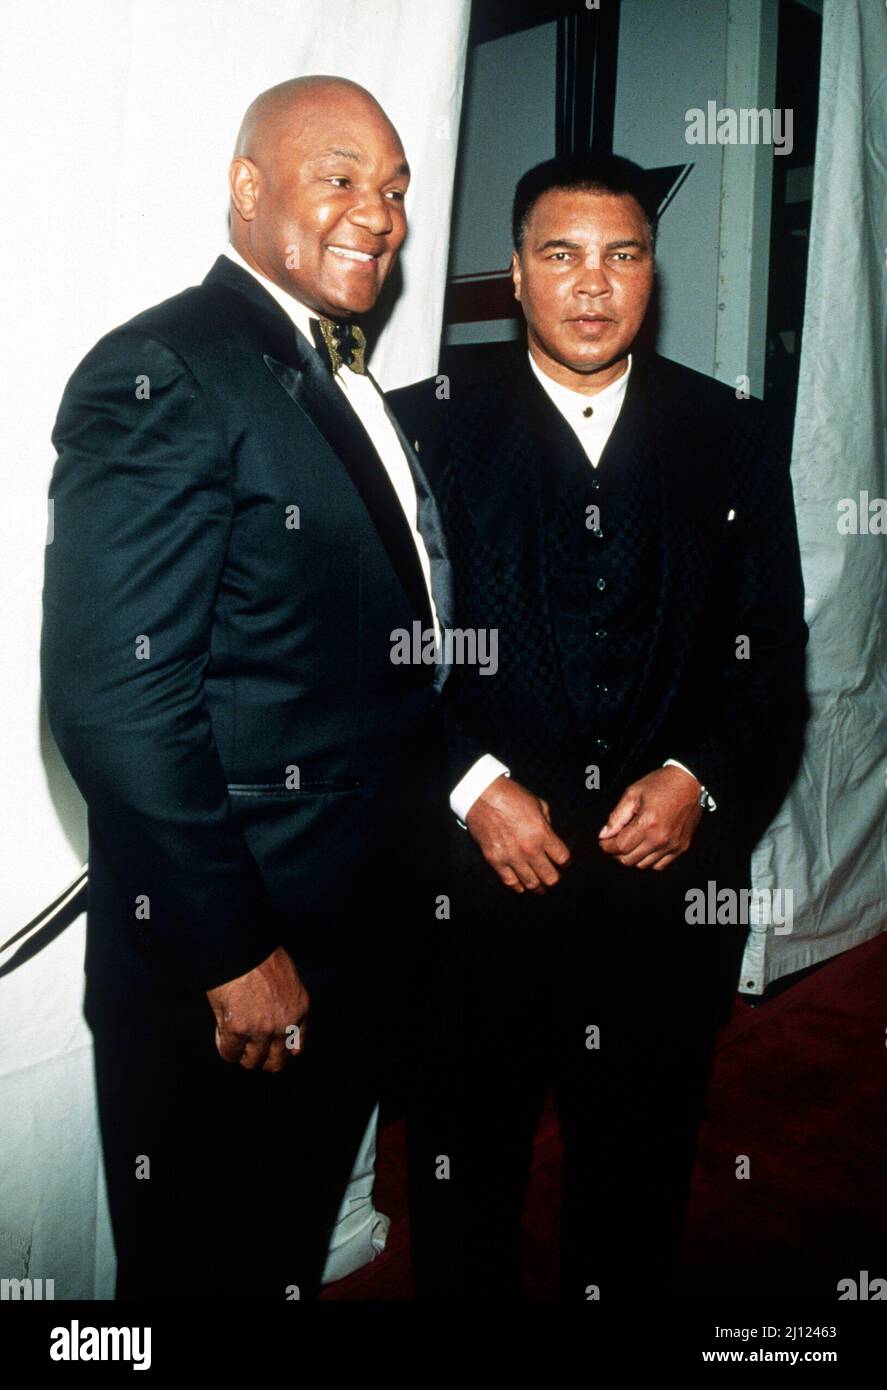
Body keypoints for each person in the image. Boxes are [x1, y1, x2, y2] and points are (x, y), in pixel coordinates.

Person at [41, 75, 450, 1301]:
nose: (375, 212)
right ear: (246, 186)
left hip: (349, 945)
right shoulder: (165, 367)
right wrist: (231, 952)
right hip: (234, 975)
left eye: (393, 189)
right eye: (339, 177)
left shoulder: (335, 373)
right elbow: (117, 699)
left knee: (272, 1262)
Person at [392, 154, 808, 1301]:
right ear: (514, 276)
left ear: (650, 272)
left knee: (635, 1176)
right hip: (470, 899)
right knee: (459, 1172)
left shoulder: (729, 432)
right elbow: (362, 655)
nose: (591, 284)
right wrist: (470, 786)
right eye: (561, 255)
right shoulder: (418, 424)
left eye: (620, 255)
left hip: (660, 904)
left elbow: (771, 657)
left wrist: (698, 776)